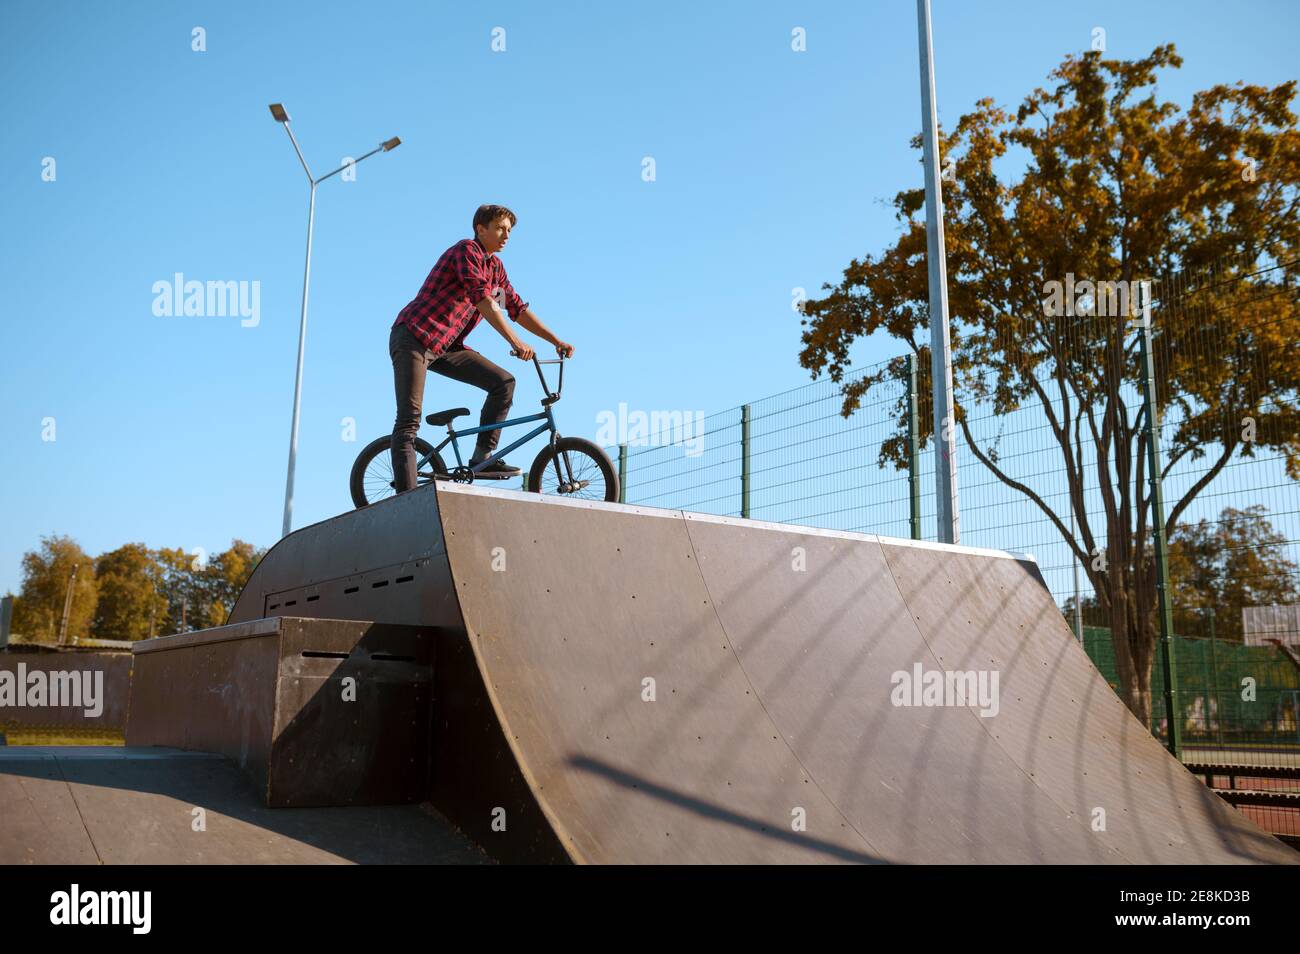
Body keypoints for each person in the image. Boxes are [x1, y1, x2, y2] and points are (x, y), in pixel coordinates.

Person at [389, 204, 574, 491]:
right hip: (414, 336)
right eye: (500, 228)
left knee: (503, 382)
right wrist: (515, 342)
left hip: (447, 346)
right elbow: (483, 300)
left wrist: (555, 341)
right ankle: (408, 497)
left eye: (509, 230)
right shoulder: (467, 252)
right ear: (481, 228)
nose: (506, 235)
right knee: (409, 421)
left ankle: (481, 458)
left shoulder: (495, 269)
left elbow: (516, 309)